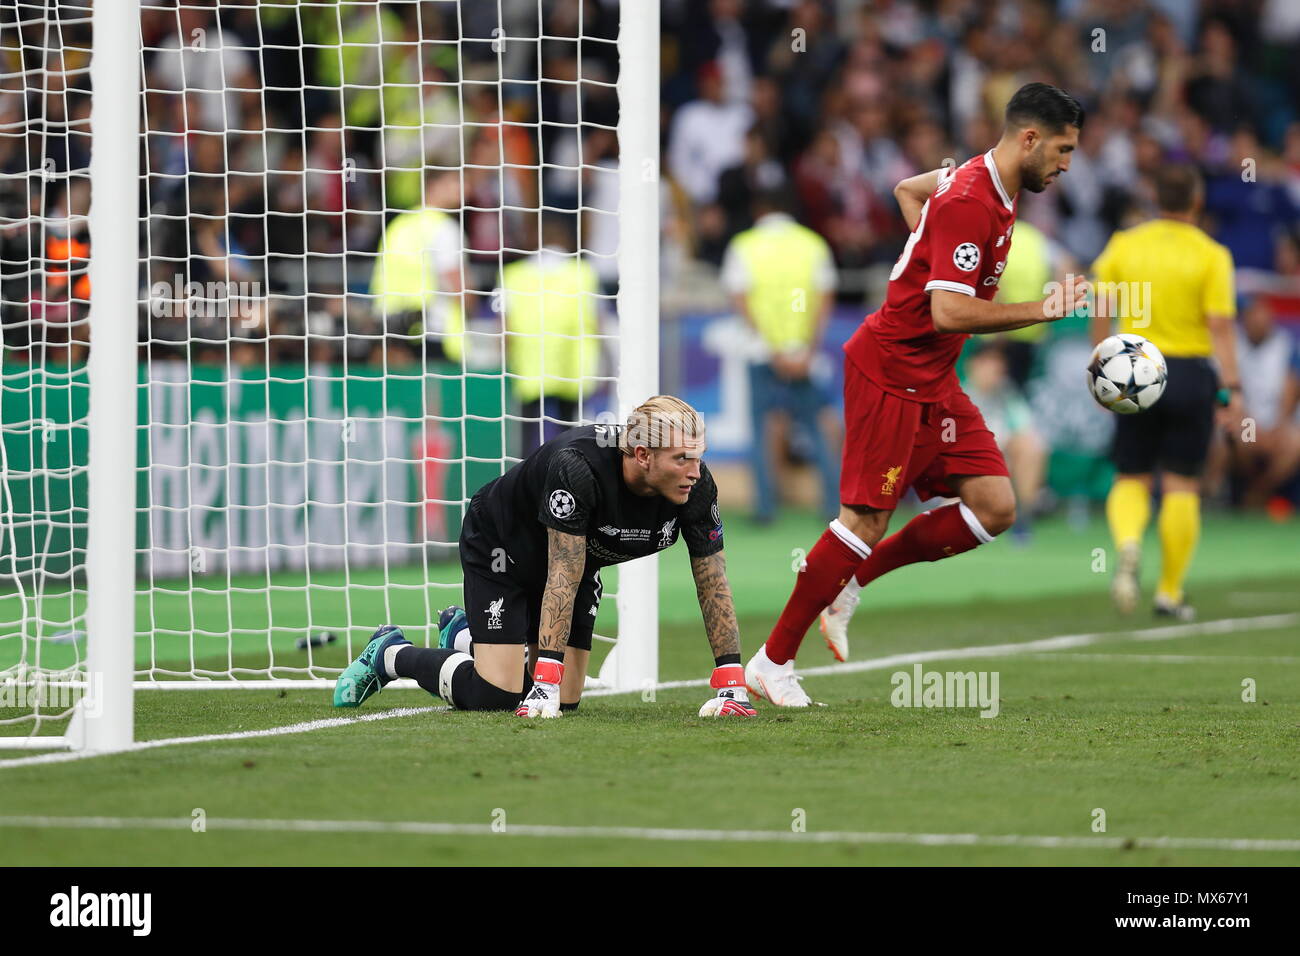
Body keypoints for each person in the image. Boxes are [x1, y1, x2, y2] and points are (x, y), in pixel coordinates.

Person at [745, 83, 1087, 704]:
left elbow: (906, 191)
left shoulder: (983, 184)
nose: (1067, 164)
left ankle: (852, 584)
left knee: (996, 506)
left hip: (932, 378)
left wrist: (924, 249)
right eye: (1063, 150)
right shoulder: (973, 200)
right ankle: (771, 661)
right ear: (1030, 139)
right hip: (892, 370)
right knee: (865, 519)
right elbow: (949, 313)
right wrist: (1041, 309)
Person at [333, 396, 756, 719]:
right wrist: (546, 679)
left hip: (576, 561)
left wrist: (730, 680)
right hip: (503, 548)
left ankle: (464, 635)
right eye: (682, 459)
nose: (696, 472)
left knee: (567, 703)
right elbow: (562, 574)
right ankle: (390, 654)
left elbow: (712, 581)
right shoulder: (578, 468)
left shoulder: (696, 489)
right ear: (643, 456)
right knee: (498, 694)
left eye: (698, 458)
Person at [1090, 163, 1242, 621]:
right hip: (1190, 371)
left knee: (1131, 476)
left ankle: (1129, 543)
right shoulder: (1212, 254)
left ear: (1155, 198)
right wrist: (1231, 388)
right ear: (1196, 202)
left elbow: (1100, 302)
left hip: (1133, 364)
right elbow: (1220, 326)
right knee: (1181, 484)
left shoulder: (1124, 244)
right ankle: (1169, 592)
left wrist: (1100, 363)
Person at [721, 187, 839, 523]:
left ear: (761, 209)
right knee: (816, 425)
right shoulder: (812, 244)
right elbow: (824, 299)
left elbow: (740, 298)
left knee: (760, 428)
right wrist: (808, 350)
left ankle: (764, 508)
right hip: (802, 351)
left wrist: (771, 348)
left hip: (762, 352)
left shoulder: (745, 245)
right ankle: (832, 506)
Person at [499, 215, 603, 455]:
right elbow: (597, 318)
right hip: (573, 363)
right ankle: (571, 474)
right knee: (571, 428)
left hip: (530, 364)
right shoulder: (584, 272)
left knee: (528, 427)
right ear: (567, 240)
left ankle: (525, 479)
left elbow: (504, 322)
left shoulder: (513, 274)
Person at [369, 169, 465, 363]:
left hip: (392, 332)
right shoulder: (444, 228)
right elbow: (458, 287)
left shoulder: (397, 226)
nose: (463, 189)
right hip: (434, 333)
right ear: (433, 186)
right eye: (455, 183)